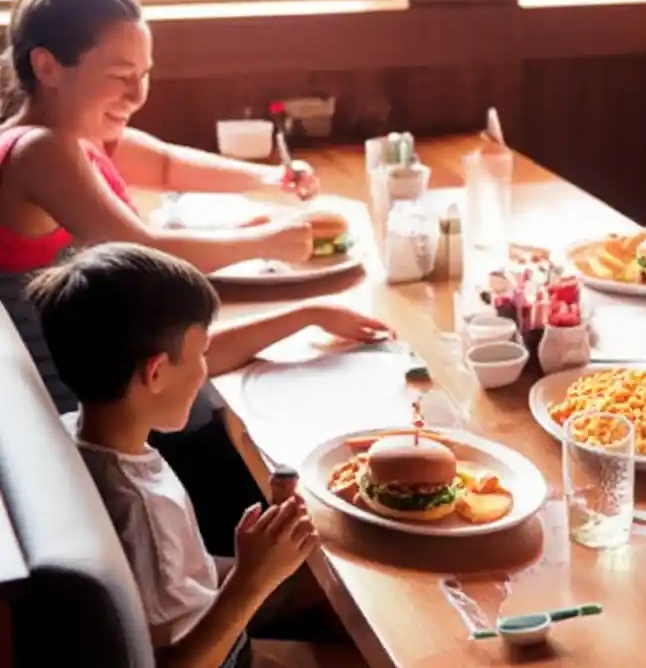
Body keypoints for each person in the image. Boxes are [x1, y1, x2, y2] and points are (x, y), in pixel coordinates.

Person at [26, 243, 389, 666]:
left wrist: (265, 561)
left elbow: (175, 583)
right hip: (218, 654)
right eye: (200, 355)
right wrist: (251, 580)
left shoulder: (82, 437)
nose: (204, 370)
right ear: (156, 373)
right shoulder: (138, 510)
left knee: (347, 584)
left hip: (211, 614)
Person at [0, 0, 318, 411]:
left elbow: (168, 166)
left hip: (119, 370)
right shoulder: (39, 151)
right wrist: (266, 243)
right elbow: (142, 251)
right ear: (47, 67)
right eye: (120, 77)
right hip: (81, 409)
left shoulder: (78, 134)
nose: (136, 94)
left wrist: (271, 179)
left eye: (144, 74)